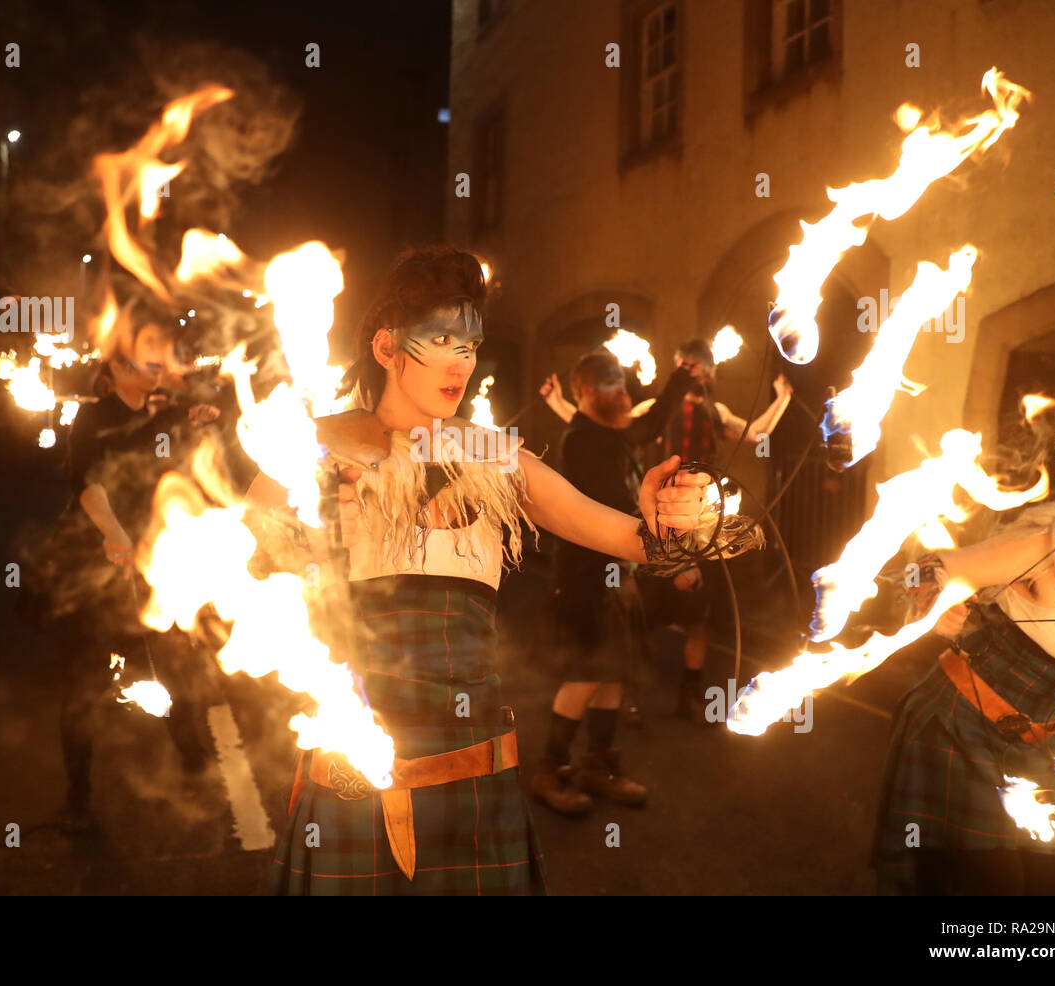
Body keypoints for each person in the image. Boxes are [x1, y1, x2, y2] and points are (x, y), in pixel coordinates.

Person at [258, 246, 711, 895]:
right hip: (350, 776)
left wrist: (678, 521)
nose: (460, 361)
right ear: (387, 347)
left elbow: (629, 537)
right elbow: (221, 567)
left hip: (470, 783)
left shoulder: (495, 459)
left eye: (469, 344)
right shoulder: (312, 450)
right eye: (441, 338)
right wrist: (305, 547)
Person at [42, 316, 227, 833]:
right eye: (145, 363)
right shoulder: (92, 420)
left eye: (159, 364)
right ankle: (78, 797)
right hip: (96, 565)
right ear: (116, 368)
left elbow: (179, 467)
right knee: (84, 681)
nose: (157, 371)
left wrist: (204, 419)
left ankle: (194, 761)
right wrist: (113, 533)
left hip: (152, 563)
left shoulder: (162, 417)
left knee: (169, 659)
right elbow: (86, 483)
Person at [873, 499, 1055, 895]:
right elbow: (929, 571)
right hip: (958, 726)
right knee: (985, 884)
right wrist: (937, 604)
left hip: (1036, 746)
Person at [528, 350, 699, 815]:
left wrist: (681, 378)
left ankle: (598, 768)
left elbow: (652, 420)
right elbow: (614, 513)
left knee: (612, 676)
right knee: (585, 675)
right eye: (609, 383)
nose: (621, 389)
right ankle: (551, 771)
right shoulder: (582, 441)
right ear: (584, 391)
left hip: (617, 578)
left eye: (620, 380)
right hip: (583, 580)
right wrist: (671, 560)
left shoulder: (616, 434)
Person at [661, 339, 792, 720]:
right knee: (647, 603)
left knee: (699, 615)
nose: (702, 373)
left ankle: (687, 693)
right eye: (691, 366)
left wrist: (782, 397)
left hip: (703, 519)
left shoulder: (713, 410)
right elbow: (617, 424)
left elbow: (755, 433)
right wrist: (561, 403)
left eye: (703, 367)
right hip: (665, 516)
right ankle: (618, 690)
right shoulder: (660, 409)